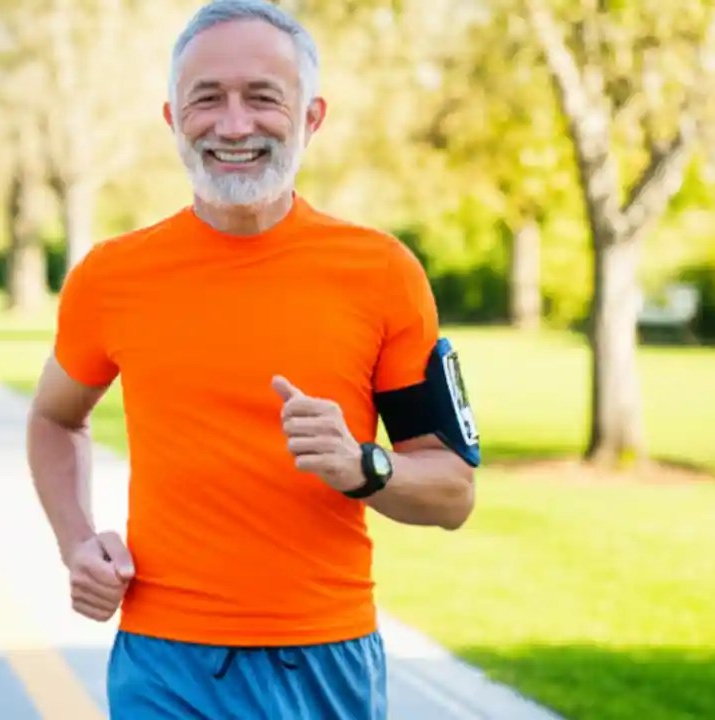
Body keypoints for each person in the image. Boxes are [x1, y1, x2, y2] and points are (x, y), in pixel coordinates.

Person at [25, 1, 480, 717]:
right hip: (162, 660)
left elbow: (453, 492)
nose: (233, 125)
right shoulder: (111, 277)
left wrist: (366, 465)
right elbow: (55, 418)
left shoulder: (382, 272)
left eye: (262, 98)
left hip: (323, 660)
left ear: (311, 117)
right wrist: (76, 542)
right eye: (207, 99)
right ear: (174, 118)